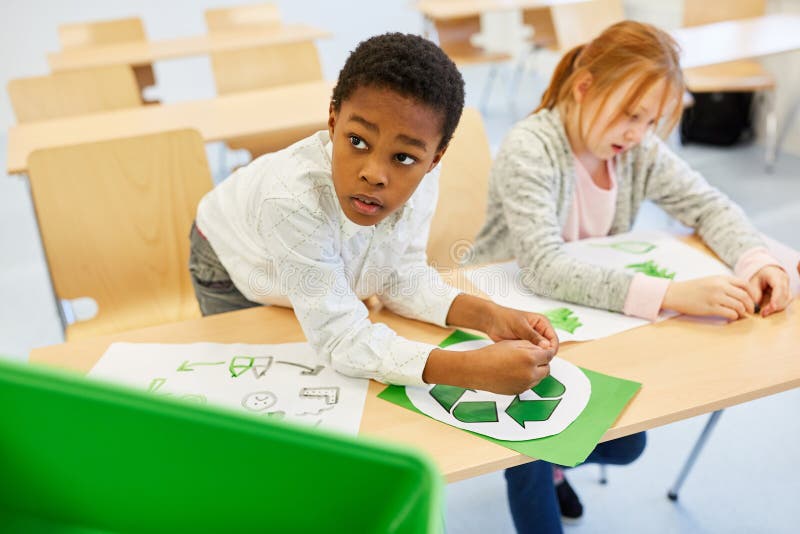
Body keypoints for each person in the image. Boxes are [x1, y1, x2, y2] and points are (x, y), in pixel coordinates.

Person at [470, 21, 791, 532]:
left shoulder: (636, 151)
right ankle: (536, 465)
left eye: (651, 122)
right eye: (629, 115)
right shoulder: (531, 147)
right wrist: (674, 294)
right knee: (530, 456)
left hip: (587, 321)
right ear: (584, 88)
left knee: (629, 443)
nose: (637, 134)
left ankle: (550, 462)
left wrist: (757, 260)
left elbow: (707, 205)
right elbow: (542, 265)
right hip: (508, 318)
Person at [188, 32, 559, 400]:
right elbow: (339, 338)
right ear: (333, 121)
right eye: (358, 141)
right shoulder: (292, 199)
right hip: (234, 264)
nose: (374, 174)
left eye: (403, 158)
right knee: (261, 389)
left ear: (434, 159)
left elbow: (397, 276)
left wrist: (490, 316)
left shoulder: (422, 177)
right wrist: (468, 369)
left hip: (307, 259)